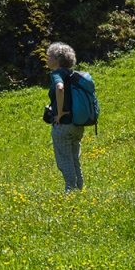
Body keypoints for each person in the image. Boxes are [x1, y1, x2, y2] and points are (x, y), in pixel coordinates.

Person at [47, 41, 84, 192]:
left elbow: (60, 88)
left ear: (57, 60)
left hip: (63, 125)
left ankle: (70, 190)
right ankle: (79, 189)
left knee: (64, 160)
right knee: (74, 159)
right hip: (77, 125)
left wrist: (60, 111)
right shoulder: (73, 74)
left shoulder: (57, 74)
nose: (47, 58)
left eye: (49, 56)